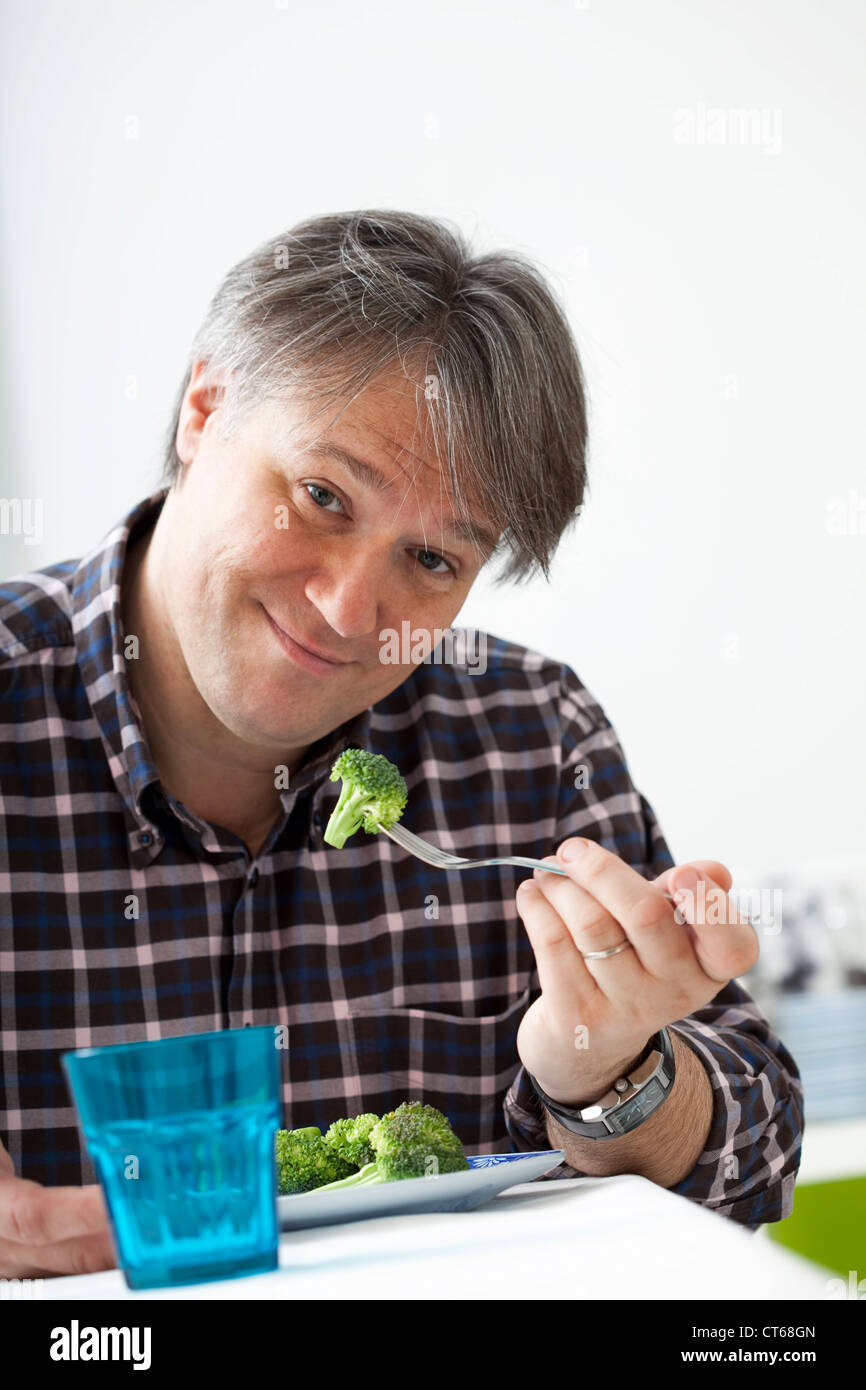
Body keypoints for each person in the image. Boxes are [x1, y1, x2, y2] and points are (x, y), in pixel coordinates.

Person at [0, 210, 802, 1278]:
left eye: (429, 558)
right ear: (204, 409)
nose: (345, 609)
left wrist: (610, 1077)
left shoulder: (528, 733)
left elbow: (757, 1159)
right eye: (321, 496)